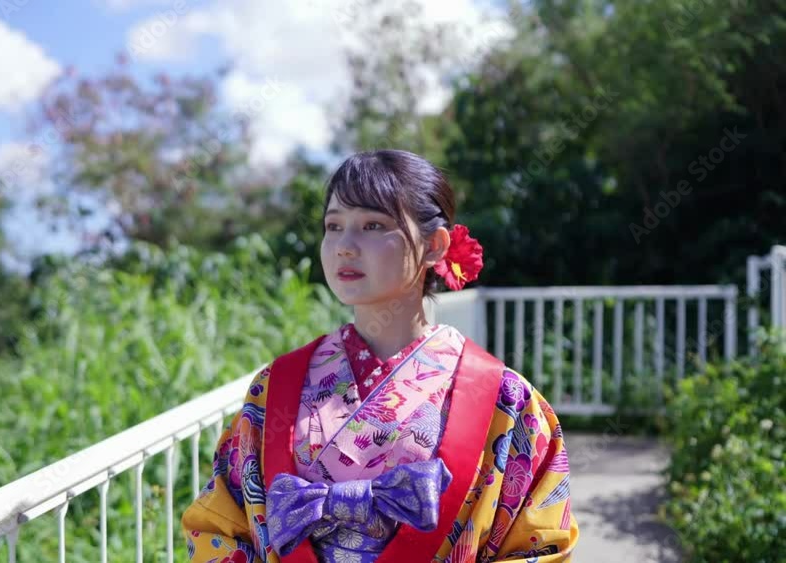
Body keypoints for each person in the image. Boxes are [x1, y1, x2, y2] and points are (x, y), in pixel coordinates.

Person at [181, 149, 579, 562]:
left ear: (434, 246)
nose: (344, 247)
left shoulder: (503, 396)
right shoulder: (276, 386)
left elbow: (540, 543)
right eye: (333, 226)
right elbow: (219, 526)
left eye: (373, 225)